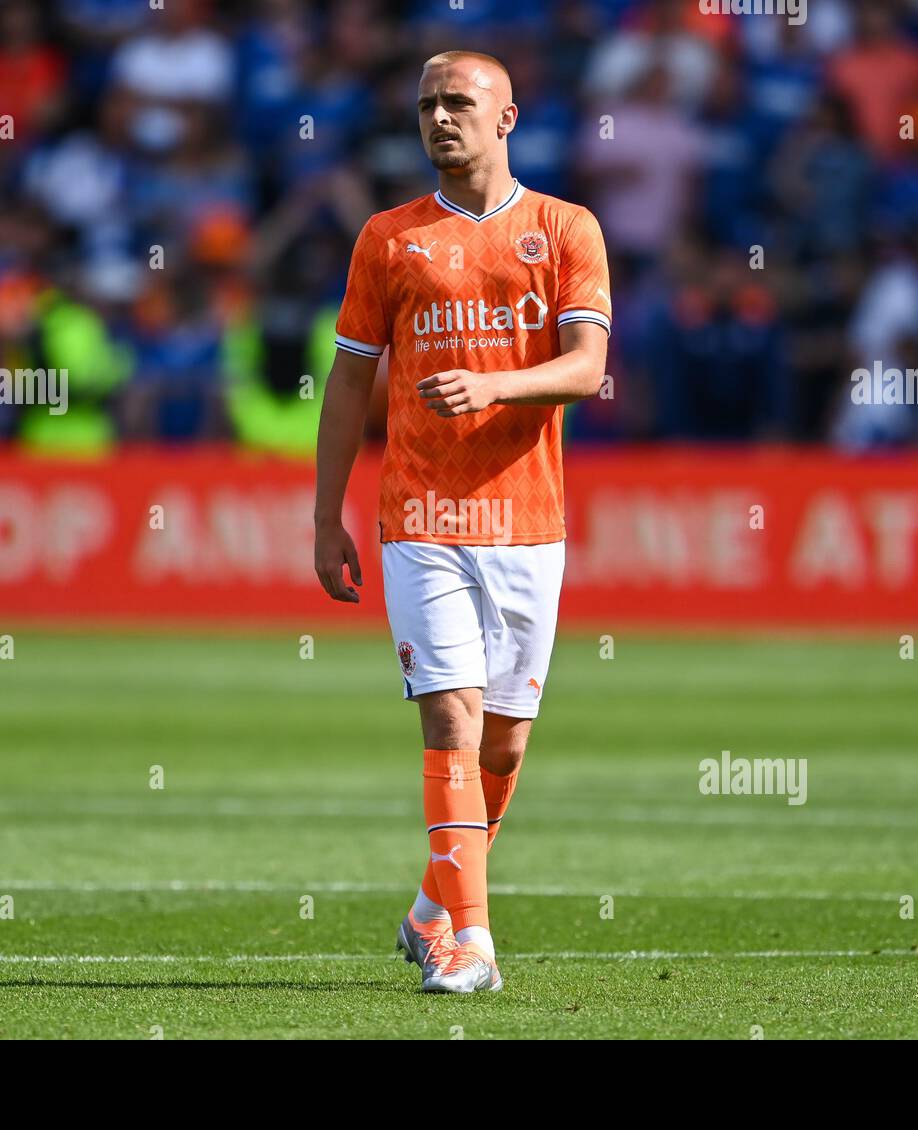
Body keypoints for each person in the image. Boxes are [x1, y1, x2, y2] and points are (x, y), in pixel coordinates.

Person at [313, 50, 610, 993]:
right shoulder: (388, 239)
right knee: (450, 714)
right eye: (427, 105)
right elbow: (350, 379)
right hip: (420, 516)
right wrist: (328, 515)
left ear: (506, 117)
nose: (441, 119)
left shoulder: (564, 229)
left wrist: (492, 383)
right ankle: (472, 945)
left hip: (528, 517)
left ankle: (433, 904)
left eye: (459, 103)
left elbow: (586, 369)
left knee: (506, 742)